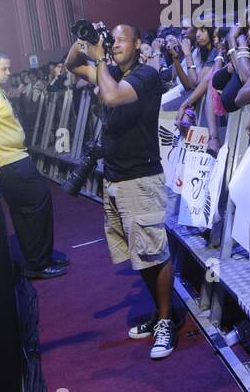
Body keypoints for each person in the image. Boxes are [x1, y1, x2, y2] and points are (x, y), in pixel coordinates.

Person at [65, 24, 182, 359]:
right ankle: (162, 314)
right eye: (111, 39)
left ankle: (165, 322)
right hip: (115, 177)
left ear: (138, 43)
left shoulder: (146, 76)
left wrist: (100, 57)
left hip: (140, 177)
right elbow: (73, 63)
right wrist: (85, 41)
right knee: (139, 254)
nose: (114, 45)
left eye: (120, 40)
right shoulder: (110, 70)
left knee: (154, 252)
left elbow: (114, 97)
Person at [0, 51, 69, 279]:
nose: (9, 73)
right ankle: (39, 262)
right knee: (37, 203)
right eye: (4, 68)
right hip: (10, 161)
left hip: (11, 159)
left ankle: (39, 259)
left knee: (24, 212)